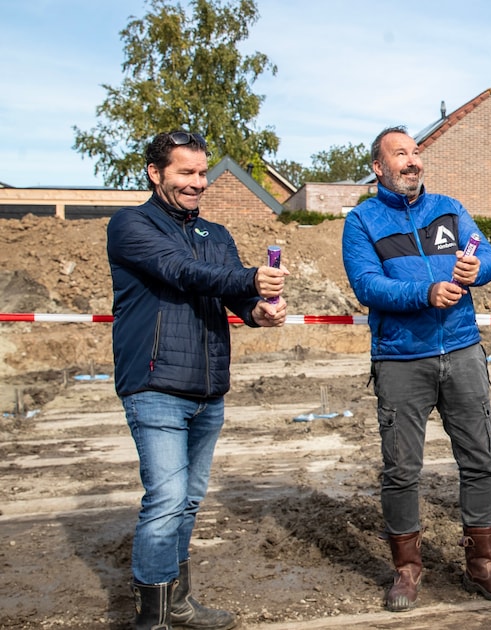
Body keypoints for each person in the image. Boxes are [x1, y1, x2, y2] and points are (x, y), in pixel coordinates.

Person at [107, 130, 289, 630]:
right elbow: (182, 271)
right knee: (166, 500)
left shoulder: (216, 235)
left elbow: (232, 296)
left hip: (208, 388)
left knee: (187, 501)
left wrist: (257, 312)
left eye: (202, 172)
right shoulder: (130, 225)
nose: (198, 182)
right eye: (185, 172)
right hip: (155, 384)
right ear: (155, 173)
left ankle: (178, 603)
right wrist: (250, 278)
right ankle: (153, 619)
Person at [341, 126, 491, 612]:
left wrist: (477, 270)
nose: (413, 160)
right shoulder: (362, 221)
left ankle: (482, 564)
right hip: (401, 360)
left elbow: (487, 256)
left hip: (463, 350)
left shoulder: (449, 208)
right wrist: (425, 293)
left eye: (416, 152)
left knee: (479, 460)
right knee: (401, 470)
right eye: (401, 153)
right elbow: (367, 285)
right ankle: (407, 570)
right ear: (379, 167)